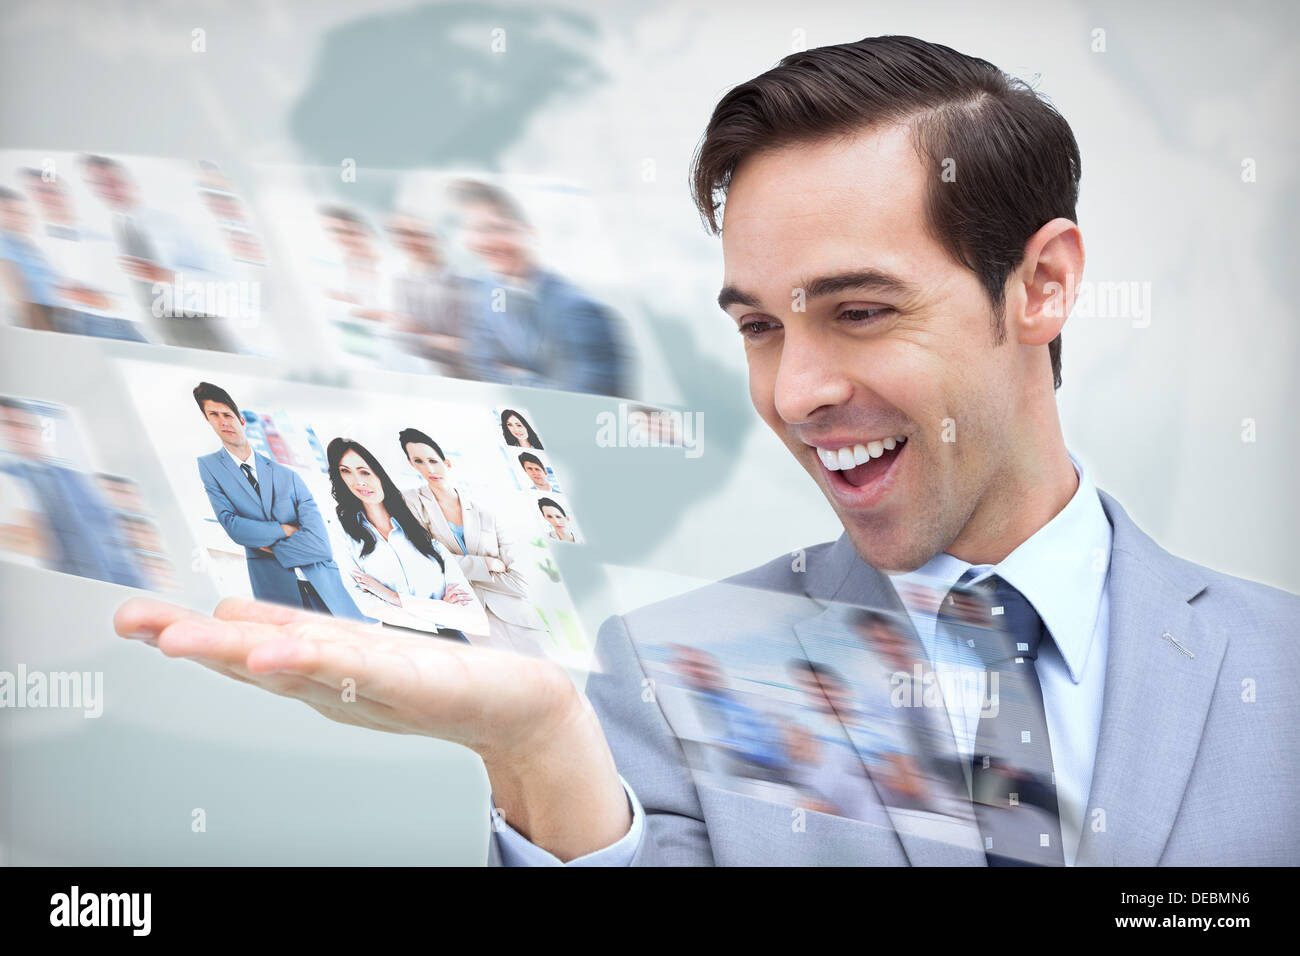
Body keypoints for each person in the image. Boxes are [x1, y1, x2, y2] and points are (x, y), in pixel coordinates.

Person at [116, 35, 1300, 867]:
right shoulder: (657, 678)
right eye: (758, 326)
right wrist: (537, 752)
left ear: (1041, 284)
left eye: (859, 310)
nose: (795, 391)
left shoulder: (1277, 668)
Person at [193, 382, 367, 620]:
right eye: (214, 415)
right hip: (276, 592)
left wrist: (265, 543)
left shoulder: (288, 476)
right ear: (207, 420)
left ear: (241, 420)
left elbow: (320, 546)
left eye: (228, 415)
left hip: (325, 591)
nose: (223, 422)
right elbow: (233, 528)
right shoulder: (210, 466)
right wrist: (285, 529)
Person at [451, 179, 632, 397]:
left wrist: (517, 378)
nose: (486, 242)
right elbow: (482, 363)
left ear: (529, 232)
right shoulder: (481, 291)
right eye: (476, 230)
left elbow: (584, 399)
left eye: (497, 228)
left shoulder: (579, 309)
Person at [397, 427, 549, 654]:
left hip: (520, 621)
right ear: (411, 464)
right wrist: (486, 564)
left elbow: (520, 582)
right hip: (470, 623)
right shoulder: (410, 503)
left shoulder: (485, 507)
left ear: (447, 462)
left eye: (433, 460)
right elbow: (427, 562)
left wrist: (459, 570)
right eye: (418, 461)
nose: (428, 469)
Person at [326, 437, 488, 639]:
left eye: (365, 471)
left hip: (452, 639)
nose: (358, 481)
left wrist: (393, 598)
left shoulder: (418, 522)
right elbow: (366, 605)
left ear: (381, 473)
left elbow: (473, 617)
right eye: (345, 472)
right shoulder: (342, 535)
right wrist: (439, 611)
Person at [0, 397, 143, 586]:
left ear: (37, 430)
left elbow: (109, 537)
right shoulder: (8, 480)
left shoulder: (72, 478)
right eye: (8, 425)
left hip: (97, 580)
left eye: (22, 425)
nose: (17, 433)